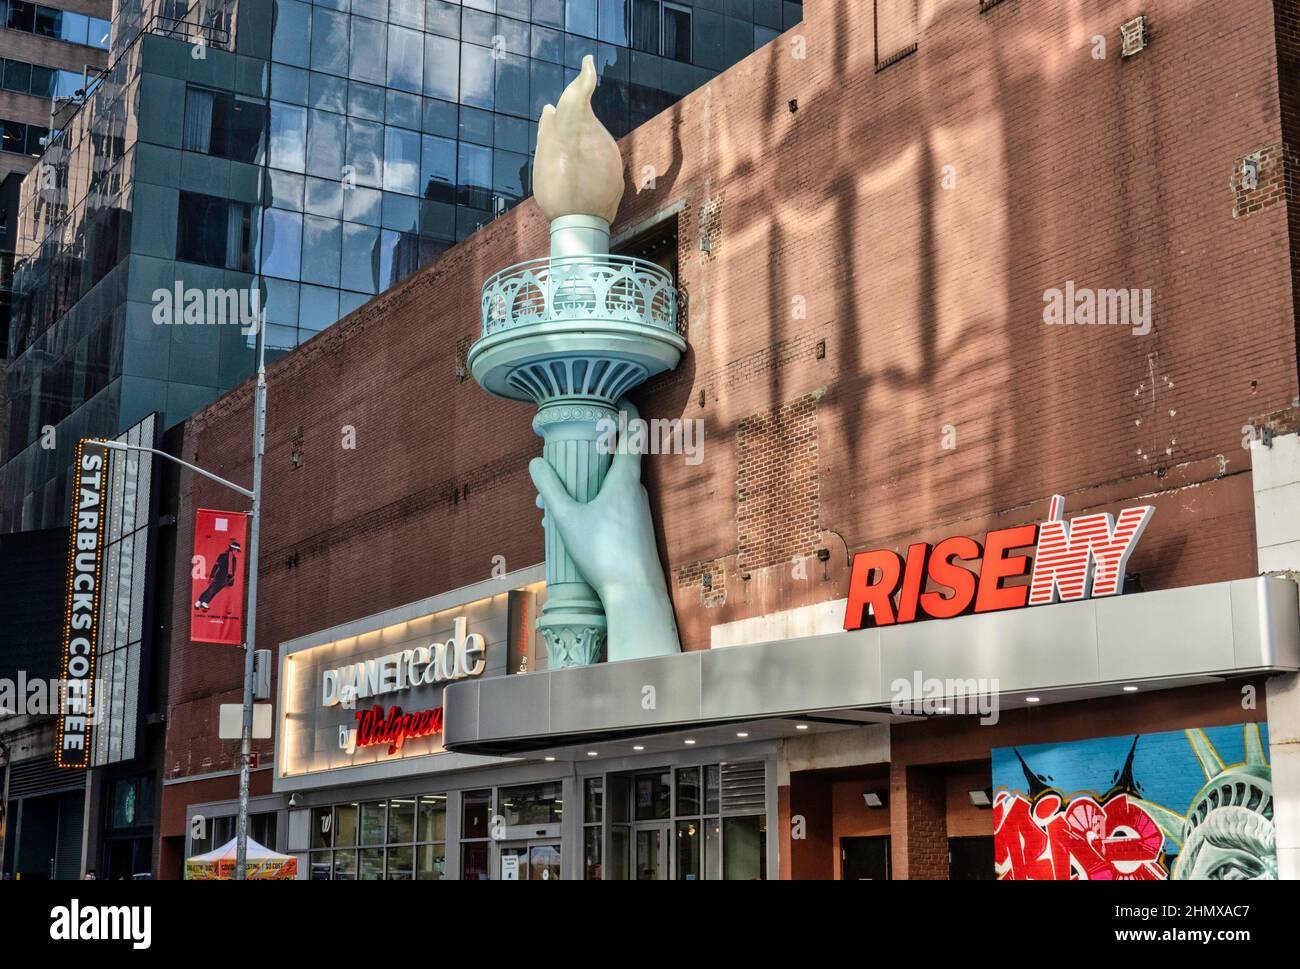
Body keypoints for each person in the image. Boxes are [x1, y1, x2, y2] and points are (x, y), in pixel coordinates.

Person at [195, 540, 241, 611]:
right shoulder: (223, 556)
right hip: (219, 576)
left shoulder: (234, 559)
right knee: (210, 590)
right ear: (232, 549)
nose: (236, 552)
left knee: (215, 591)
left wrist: (230, 580)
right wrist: (212, 576)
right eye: (236, 550)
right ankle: (198, 602)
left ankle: (205, 602)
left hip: (226, 579)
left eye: (237, 550)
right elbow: (216, 566)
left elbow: (233, 570)